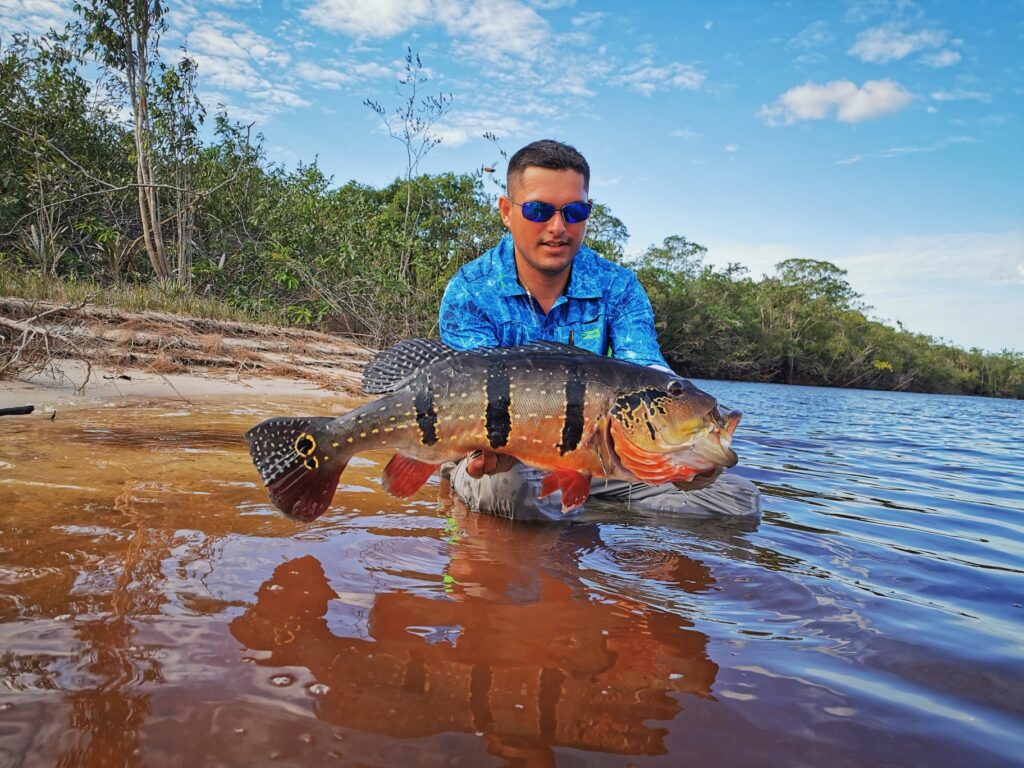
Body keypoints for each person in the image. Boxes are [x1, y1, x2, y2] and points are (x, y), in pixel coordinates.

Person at [438, 139, 760, 521]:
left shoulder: (619, 287)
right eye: (539, 210)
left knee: (736, 503)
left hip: (604, 457)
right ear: (507, 212)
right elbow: (465, 395)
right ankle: (574, 522)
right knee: (514, 490)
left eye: (574, 212)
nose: (558, 227)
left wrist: (689, 458)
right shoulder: (471, 289)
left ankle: (588, 524)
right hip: (506, 462)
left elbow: (648, 376)